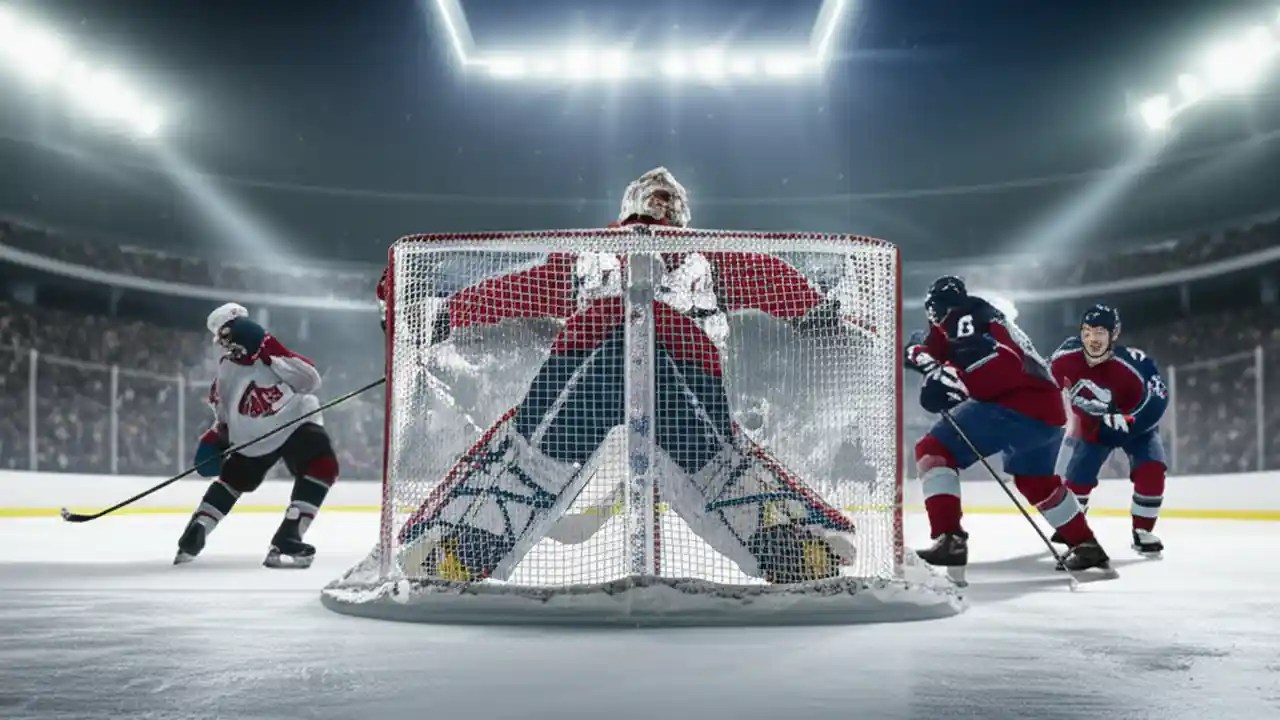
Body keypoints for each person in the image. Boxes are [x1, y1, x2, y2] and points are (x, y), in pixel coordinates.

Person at [377, 167, 860, 584]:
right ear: (631, 204)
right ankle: (460, 551)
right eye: (653, 194)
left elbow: (766, 274)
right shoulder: (591, 254)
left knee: (717, 466)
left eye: (669, 197)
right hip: (595, 364)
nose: (661, 201)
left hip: (679, 370)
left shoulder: (705, 255)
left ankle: (796, 551)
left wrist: (815, 309)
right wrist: (445, 313)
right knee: (534, 455)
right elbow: (520, 287)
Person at [904, 276, 1110, 584]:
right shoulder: (981, 317)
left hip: (1015, 404)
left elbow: (1002, 363)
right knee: (1037, 484)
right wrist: (929, 363)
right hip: (1049, 412)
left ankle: (950, 539)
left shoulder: (965, 316)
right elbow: (929, 348)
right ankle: (1087, 547)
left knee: (933, 449)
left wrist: (956, 382)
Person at [174, 303, 339, 568]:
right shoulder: (267, 354)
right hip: (293, 425)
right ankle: (288, 536)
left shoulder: (223, 374)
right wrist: (269, 346)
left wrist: (216, 439)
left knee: (233, 480)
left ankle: (201, 522)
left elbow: (223, 417)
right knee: (322, 466)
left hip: (250, 441)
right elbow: (310, 380)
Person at [1050, 304, 1167, 556]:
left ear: (1115, 333)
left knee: (1152, 469)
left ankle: (1143, 530)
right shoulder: (1064, 358)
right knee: (1078, 475)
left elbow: (1158, 398)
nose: (1093, 339)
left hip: (1136, 427)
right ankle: (1073, 527)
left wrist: (1131, 420)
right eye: (1087, 331)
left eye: (1100, 332)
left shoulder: (1134, 363)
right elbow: (1043, 388)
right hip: (1095, 427)